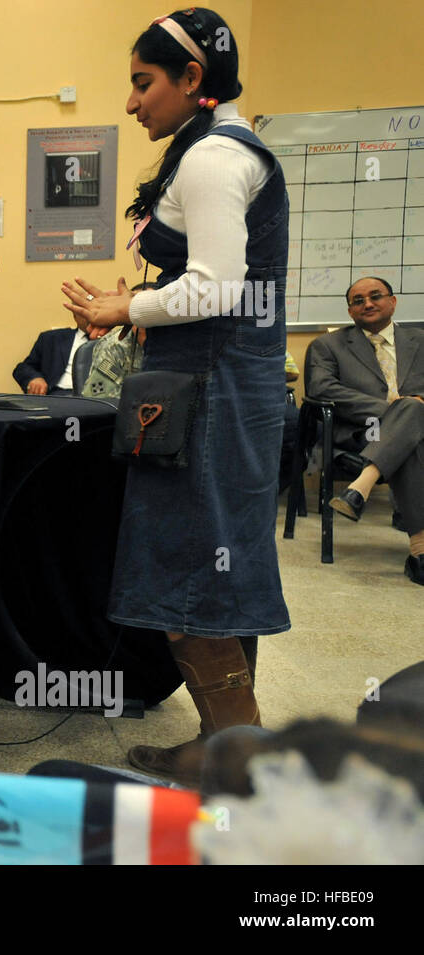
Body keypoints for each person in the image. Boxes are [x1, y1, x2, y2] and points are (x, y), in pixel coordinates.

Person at [61, 8, 289, 787]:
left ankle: (245, 774)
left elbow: (218, 287)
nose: (131, 102)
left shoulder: (212, 158)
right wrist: (143, 301)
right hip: (227, 383)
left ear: (193, 80)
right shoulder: (222, 145)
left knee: (195, 580)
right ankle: (221, 750)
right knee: (219, 572)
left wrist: (126, 308)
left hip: (211, 392)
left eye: (142, 82)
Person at [306, 277, 424, 585]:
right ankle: (420, 549)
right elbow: (321, 388)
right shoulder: (327, 345)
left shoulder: (420, 341)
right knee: (411, 421)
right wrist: (397, 410)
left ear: (393, 301)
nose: (367, 304)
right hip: (362, 432)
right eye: (358, 301)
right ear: (349, 311)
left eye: (375, 296)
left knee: (413, 427)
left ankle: (360, 487)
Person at [13, 310, 92, 395]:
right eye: (84, 311)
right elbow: (23, 368)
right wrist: (34, 378)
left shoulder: (107, 342)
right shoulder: (52, 338)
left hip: (100, 399)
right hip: (60, 395)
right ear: (75, 315)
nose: (91, 315)